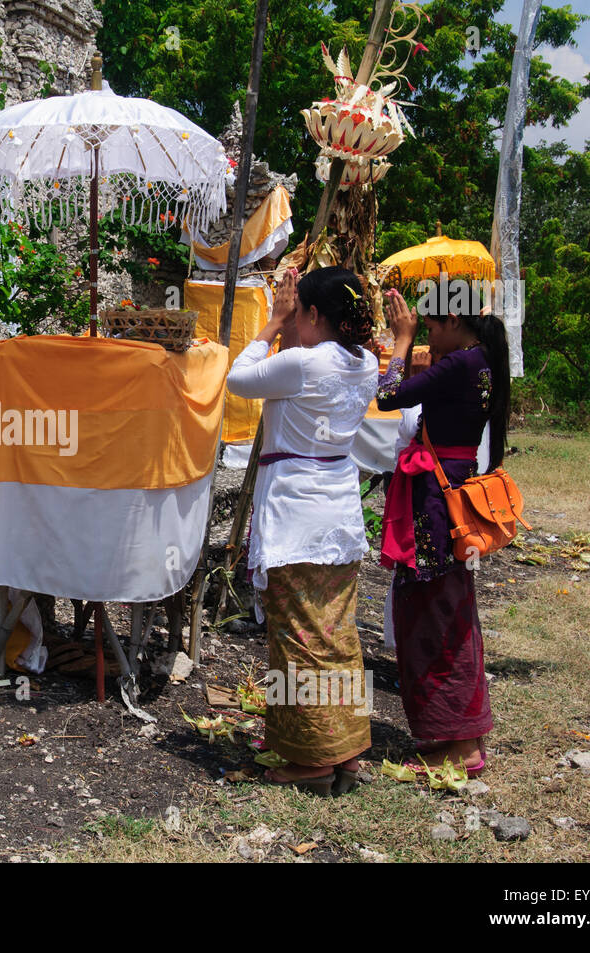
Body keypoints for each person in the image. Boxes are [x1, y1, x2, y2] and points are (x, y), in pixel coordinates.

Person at [227, 267, 378, 796]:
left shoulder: (300, 363)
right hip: (337, 511)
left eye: (300, 313)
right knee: (335, 632)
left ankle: (311, 761)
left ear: (312, 314)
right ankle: (348, 749)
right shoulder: (366, 362)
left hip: (295, 513)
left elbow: (238, 379)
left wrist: (270, 323)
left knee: (298, 636)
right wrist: (292, 326)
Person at [376, 287, 511, 775]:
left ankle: (462, 745)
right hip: (451, 489)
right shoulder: (482, 360)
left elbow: (388, 396)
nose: (428, 337)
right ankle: (460, 735)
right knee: (449, 611)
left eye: (430, 327)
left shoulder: (460, 363)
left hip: (435, 503)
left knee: (432, 613)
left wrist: (400, 342)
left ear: (452, 317)